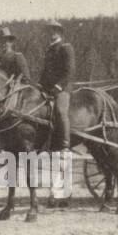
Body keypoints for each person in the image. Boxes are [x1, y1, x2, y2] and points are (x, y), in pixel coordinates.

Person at [38, 20, 75, 151]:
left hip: (62, 89)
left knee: (60, 111)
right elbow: (45, 71)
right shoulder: (49, 50)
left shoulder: (65, 47)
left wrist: (58, 87)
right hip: (48, 89)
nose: (51, 33)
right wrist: (39, 85)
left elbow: (69, 71)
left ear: (59, 32)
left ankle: (65, 145)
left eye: (54, 30)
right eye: (49, 30)